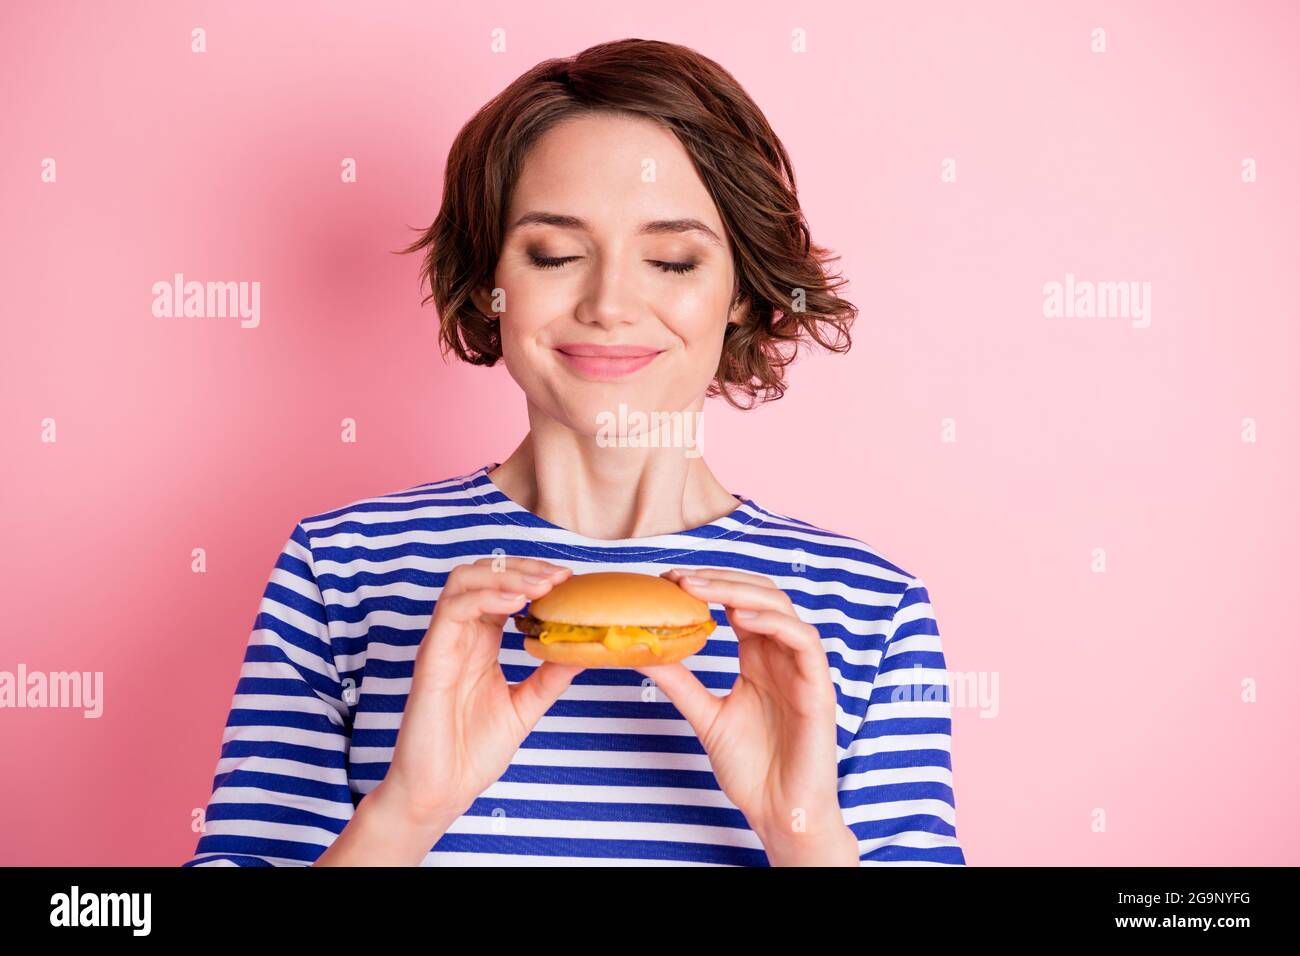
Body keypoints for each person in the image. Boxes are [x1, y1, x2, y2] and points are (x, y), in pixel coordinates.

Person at [184, 38, 966, 867]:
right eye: (555, 255)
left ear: (740, 293)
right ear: (491, 280)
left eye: (671, 260)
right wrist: (405, 815)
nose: (609, 305)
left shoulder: (869, 611)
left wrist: (801, 836)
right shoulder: (340, 571)